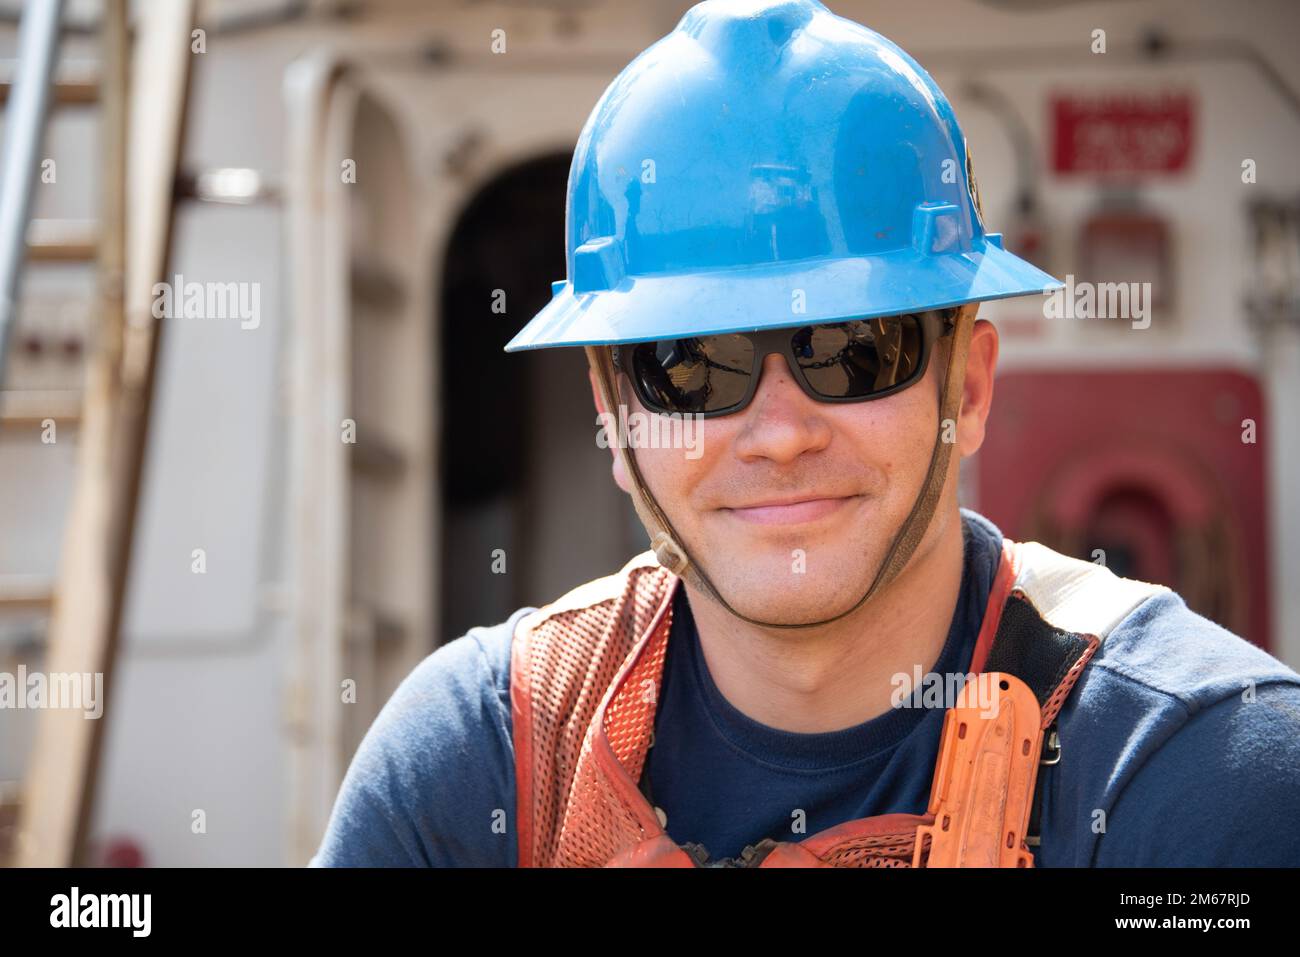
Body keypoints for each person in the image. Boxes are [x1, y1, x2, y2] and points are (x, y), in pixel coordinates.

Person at [311, 0, 1300, 867]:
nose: (778, 433)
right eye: (690, 365)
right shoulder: (482, 756)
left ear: (969, 381)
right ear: (614, 413)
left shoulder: (1201, 767)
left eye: (851, 349)